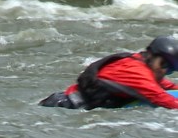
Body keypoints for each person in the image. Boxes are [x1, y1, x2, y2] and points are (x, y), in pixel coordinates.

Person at [39, 36, 178, 110]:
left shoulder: (143, 67)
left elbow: (169, 87)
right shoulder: (134, 71)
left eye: (170, 70)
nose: (164, 71)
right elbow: (162, 98)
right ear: (150, 55)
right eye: (164, 64)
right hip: (63, 107)